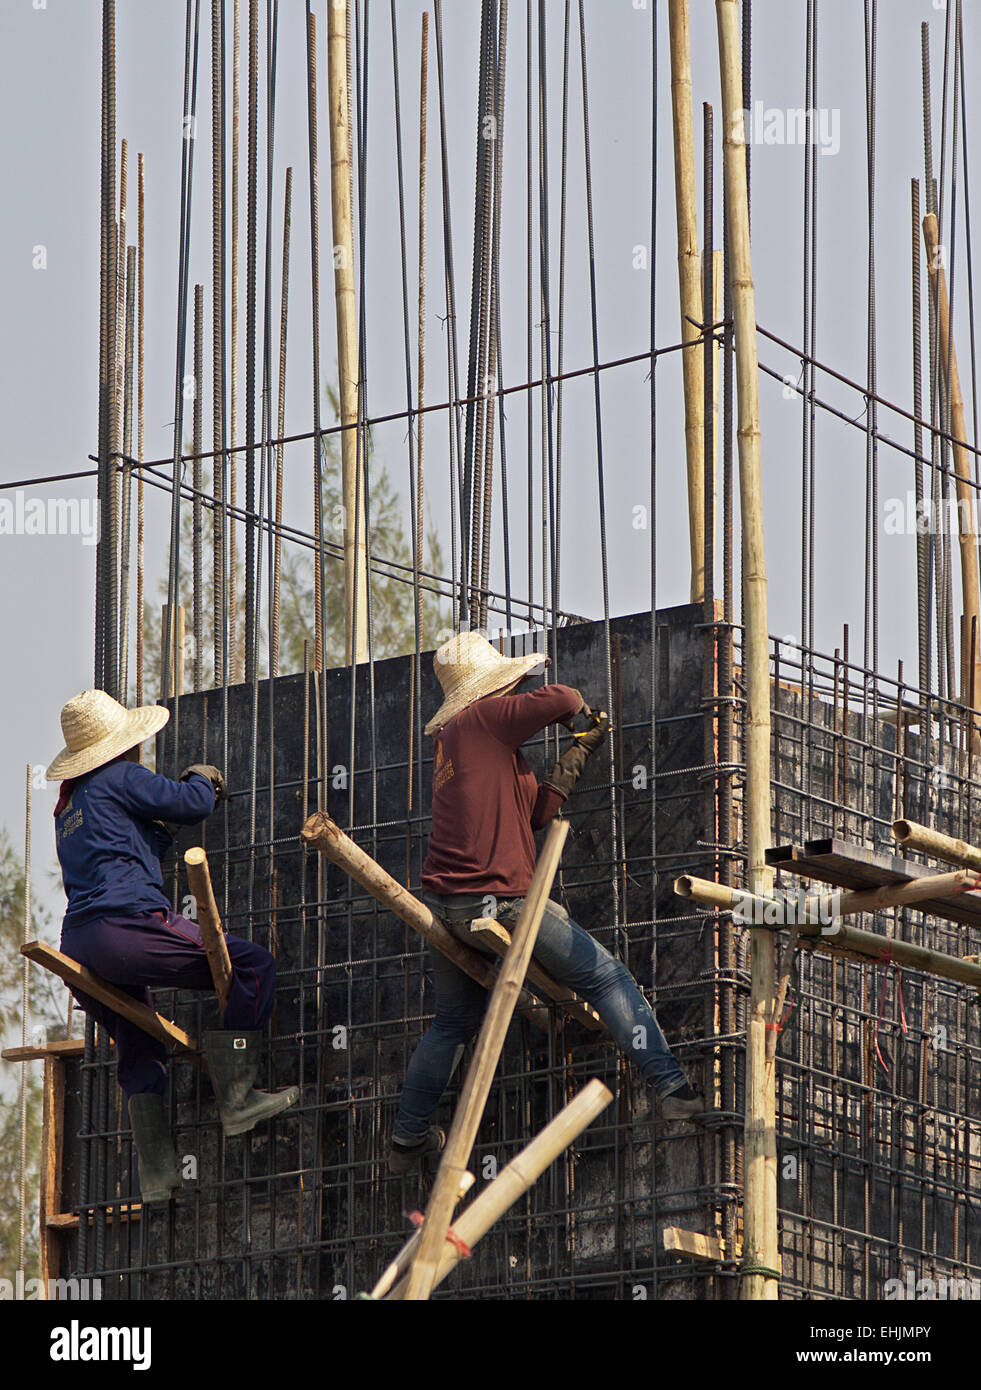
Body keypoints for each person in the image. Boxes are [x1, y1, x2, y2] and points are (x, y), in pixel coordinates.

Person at [388, 632, 705, 1174]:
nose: (518, 688)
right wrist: (579, 717)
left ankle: (406, 1141)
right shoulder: (483, 719)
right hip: (499, 902)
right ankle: (673, 1089)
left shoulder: (465, 742)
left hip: (447, 905)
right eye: (512, 683)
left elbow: (534, 815)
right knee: (607, 979)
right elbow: (559, 699)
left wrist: (577, 752)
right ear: (493, 688)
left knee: (451, 1024)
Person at [47, 688, 299, 1203]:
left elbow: (131, 846)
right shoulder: (120, 776)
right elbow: (189, 806)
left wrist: (153, 832)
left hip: (79, 944)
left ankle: (159, 1175)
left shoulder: (69, 806)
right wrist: (202, 780)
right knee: (250, 966)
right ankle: (236, 1099)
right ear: (121, 745)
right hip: (127, 927)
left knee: (140, 1040)